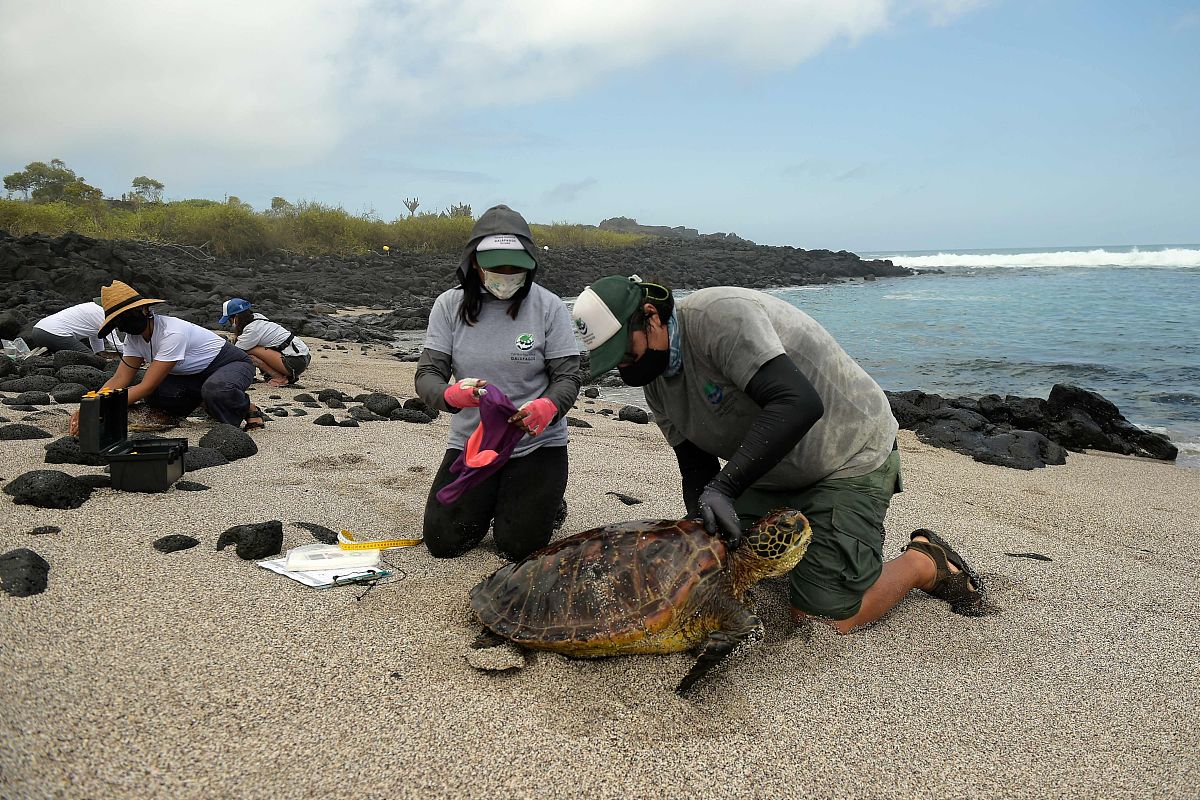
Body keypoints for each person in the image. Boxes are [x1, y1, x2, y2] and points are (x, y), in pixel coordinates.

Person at [571, 276, 986, 633]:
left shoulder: (721, 317)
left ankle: (923, 560)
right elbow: (695, 466)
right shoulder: (655, 379)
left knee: (821, 619)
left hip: (847, 456)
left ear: (652, 315)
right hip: (770, 471)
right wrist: (700, 529)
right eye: (613, 361)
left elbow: (798, 403)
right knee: (729, 567)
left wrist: (726, 486)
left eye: (627, 352)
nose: (624, 369)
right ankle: (830, 542)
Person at [414, 205, 581, 561]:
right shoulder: (449, 306)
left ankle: (547, 503)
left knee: (518, 547)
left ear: (530, 265)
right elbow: (427, 377)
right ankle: (495, 495)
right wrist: (450, 395)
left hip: (537, 445)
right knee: (445, 542)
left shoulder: (549, 307)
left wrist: (548, 406)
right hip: (474, 445)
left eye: (515, 267)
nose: (506, 274)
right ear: (475, 263)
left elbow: (568, 376)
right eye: (497, 266)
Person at [69, 281, 265, 435]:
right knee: (157, 396)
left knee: (216, 390)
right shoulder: (133, 339)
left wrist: (101, 409)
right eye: (118, 321)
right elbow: (120, 379)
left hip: (231, 363)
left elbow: (147, 384)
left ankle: (246, 406)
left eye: (128, 316)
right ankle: (205, 401)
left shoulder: (171, 333)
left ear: (145, 310)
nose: (124, 324)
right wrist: (90, 407)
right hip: (192, 373)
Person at [219, 298, 311, 386]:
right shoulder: (257, 318)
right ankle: (281, 374)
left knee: (249, 351)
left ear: (236, 317)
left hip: (295, 361)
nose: (231, 324)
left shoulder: (252, 330)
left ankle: (279, 377)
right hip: (301, 357)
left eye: (230, 320)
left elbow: (235, 353)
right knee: (250, 348)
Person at [25, 301, 123, 356]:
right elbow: (116, 345)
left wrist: (99, 352)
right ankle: (45, 355)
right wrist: (136, 353)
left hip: (37, 331)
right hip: (54, 334)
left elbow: (96, 336)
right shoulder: (104, 316)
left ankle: (45, 354)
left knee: (86, 355)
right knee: (88, 357)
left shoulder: (92, 307)